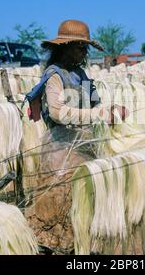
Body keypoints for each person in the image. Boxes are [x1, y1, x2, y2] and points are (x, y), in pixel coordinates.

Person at [25, 20, 127, 249]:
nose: (83, 52)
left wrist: (111, 111)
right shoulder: (55, 76)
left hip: (83, 147)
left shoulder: (80, 74)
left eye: (85, 48)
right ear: (64, 46)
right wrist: (99, 114)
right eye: (79, 47)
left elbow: (96, 104)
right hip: (60, 149)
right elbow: (58, 112)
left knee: (81, 203)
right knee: (57, 202)